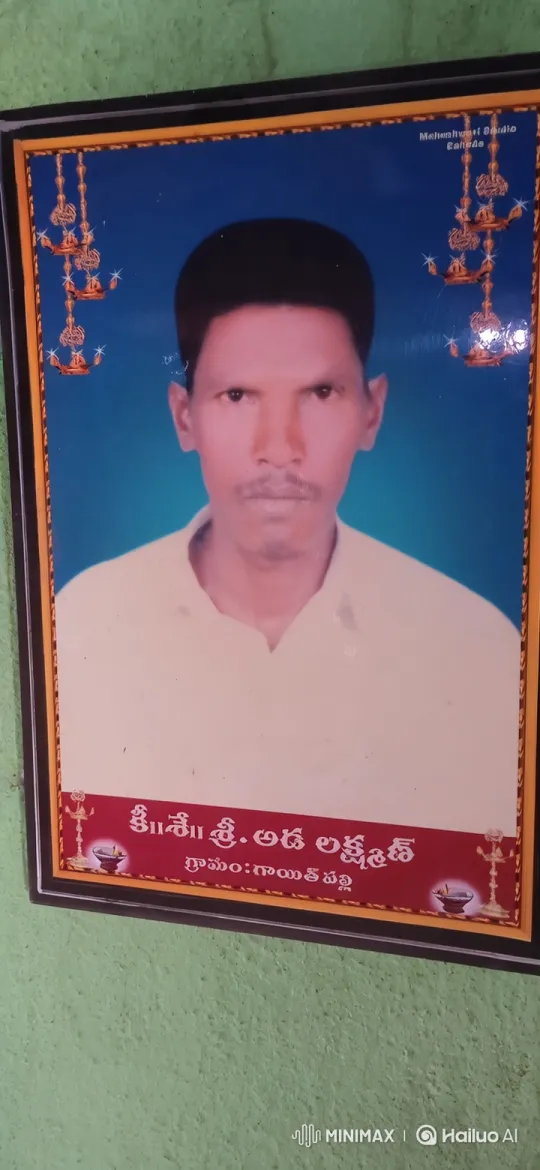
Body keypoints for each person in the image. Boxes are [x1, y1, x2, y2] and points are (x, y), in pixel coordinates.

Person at [54, 218, 520, 836]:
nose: (280, 448)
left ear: (372, 411)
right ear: (184, 416)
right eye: (239, 396)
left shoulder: (475, 649)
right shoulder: (83, 623)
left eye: (321, 392)